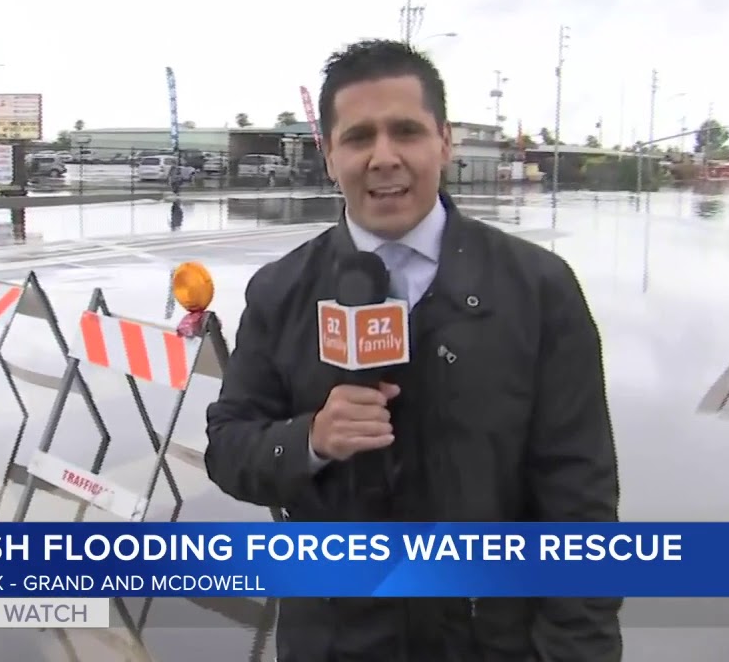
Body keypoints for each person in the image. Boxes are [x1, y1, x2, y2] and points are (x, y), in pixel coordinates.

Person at [205, 39, 621, 661]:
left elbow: (580, 499)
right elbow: (229, 449)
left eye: (406, 131)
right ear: (329, 155)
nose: (384, 157)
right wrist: (311, 437)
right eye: (358, 138)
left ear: (444, 142)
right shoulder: (280, 291)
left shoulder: (539, 290)